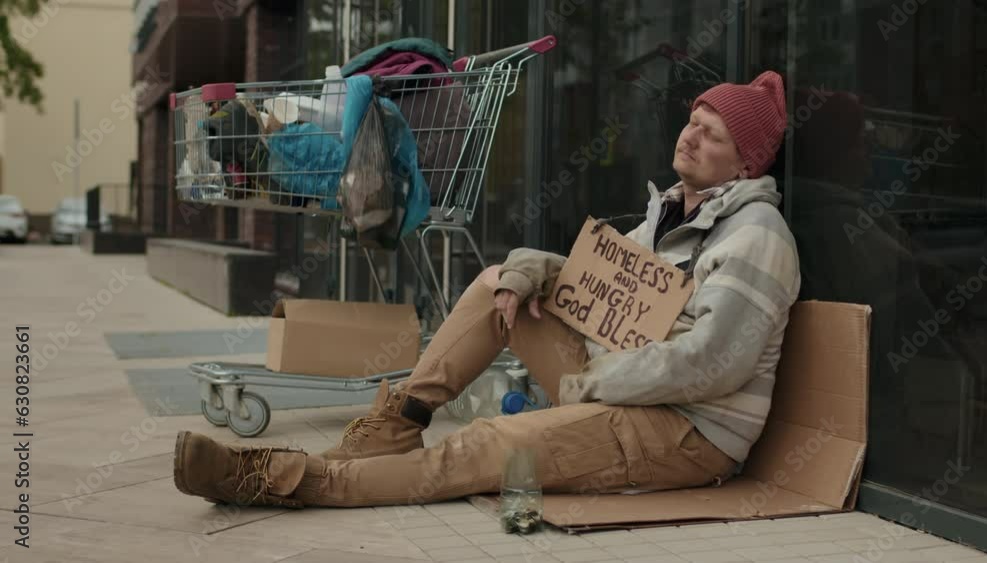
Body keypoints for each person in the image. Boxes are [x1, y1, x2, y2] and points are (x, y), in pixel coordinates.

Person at [172, 70, 801, 509]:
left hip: (687, 433)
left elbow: (716, 362)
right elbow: (594, 281)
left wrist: (590, 385)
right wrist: (528, 268)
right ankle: (401, 421)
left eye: (712, 134)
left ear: (746, 164)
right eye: (692, 121)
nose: (689, 136)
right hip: (621, 386)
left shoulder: (756, 234)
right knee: (497, 282)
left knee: (487, 447)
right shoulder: (667, 212)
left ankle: (288, 480)